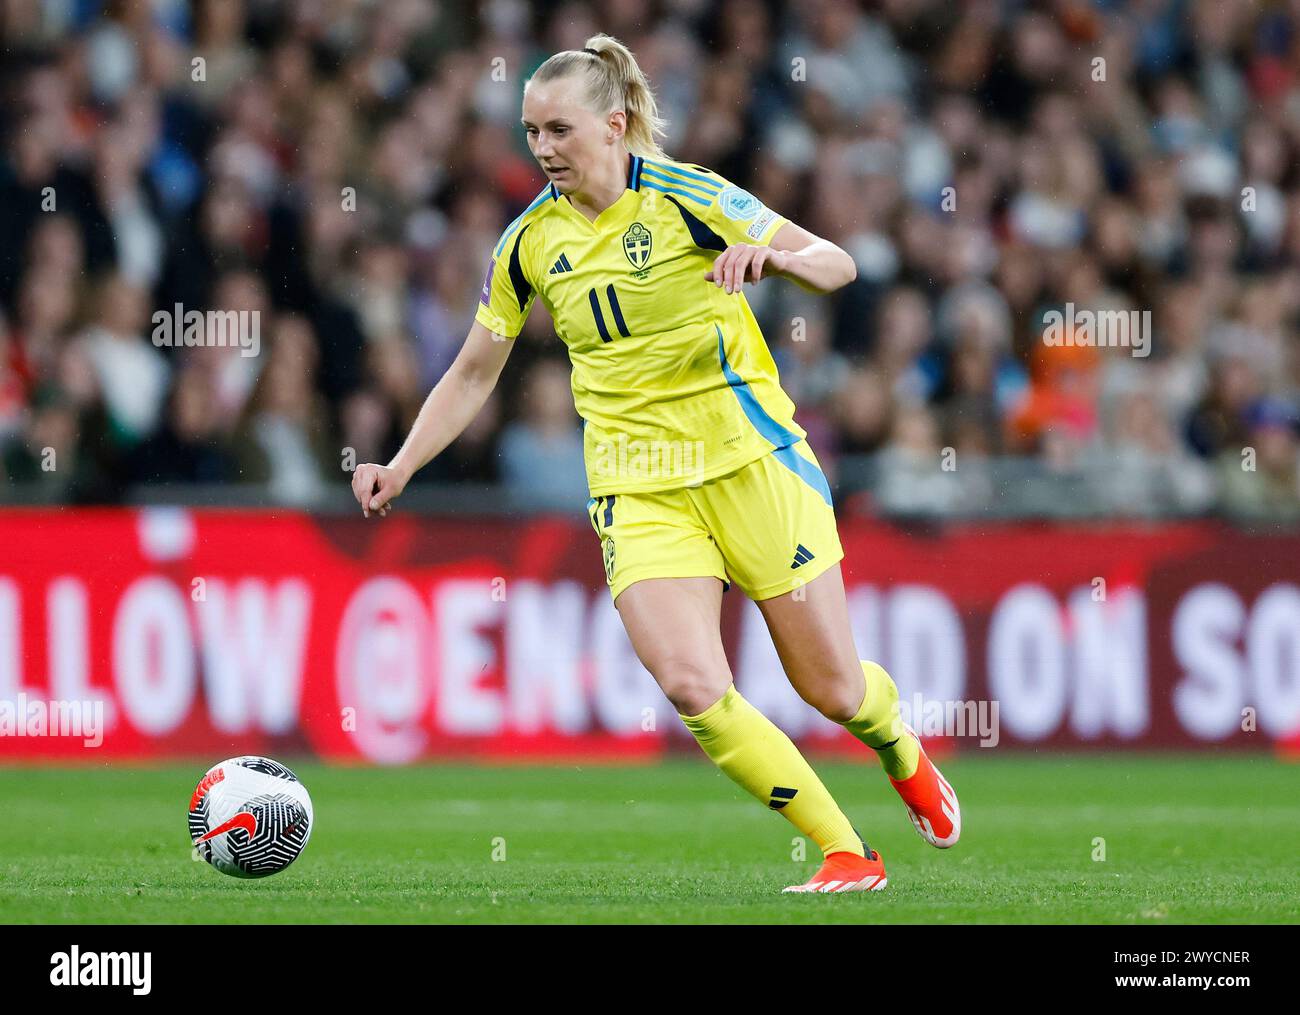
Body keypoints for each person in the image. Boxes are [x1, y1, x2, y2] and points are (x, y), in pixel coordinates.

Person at [351, 34, 960, 893]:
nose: (543, 150)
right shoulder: (528, 243)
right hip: (637, 484)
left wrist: (775, 258)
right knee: (689, 681)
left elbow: (839, 261)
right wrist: (403, 463)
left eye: (559, 130)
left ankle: (894, 738)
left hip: (750, 459)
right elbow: (475, 368)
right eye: (531, 132)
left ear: (615, 122)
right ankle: (846, 850)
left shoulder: (687, 194)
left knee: (830, 687)